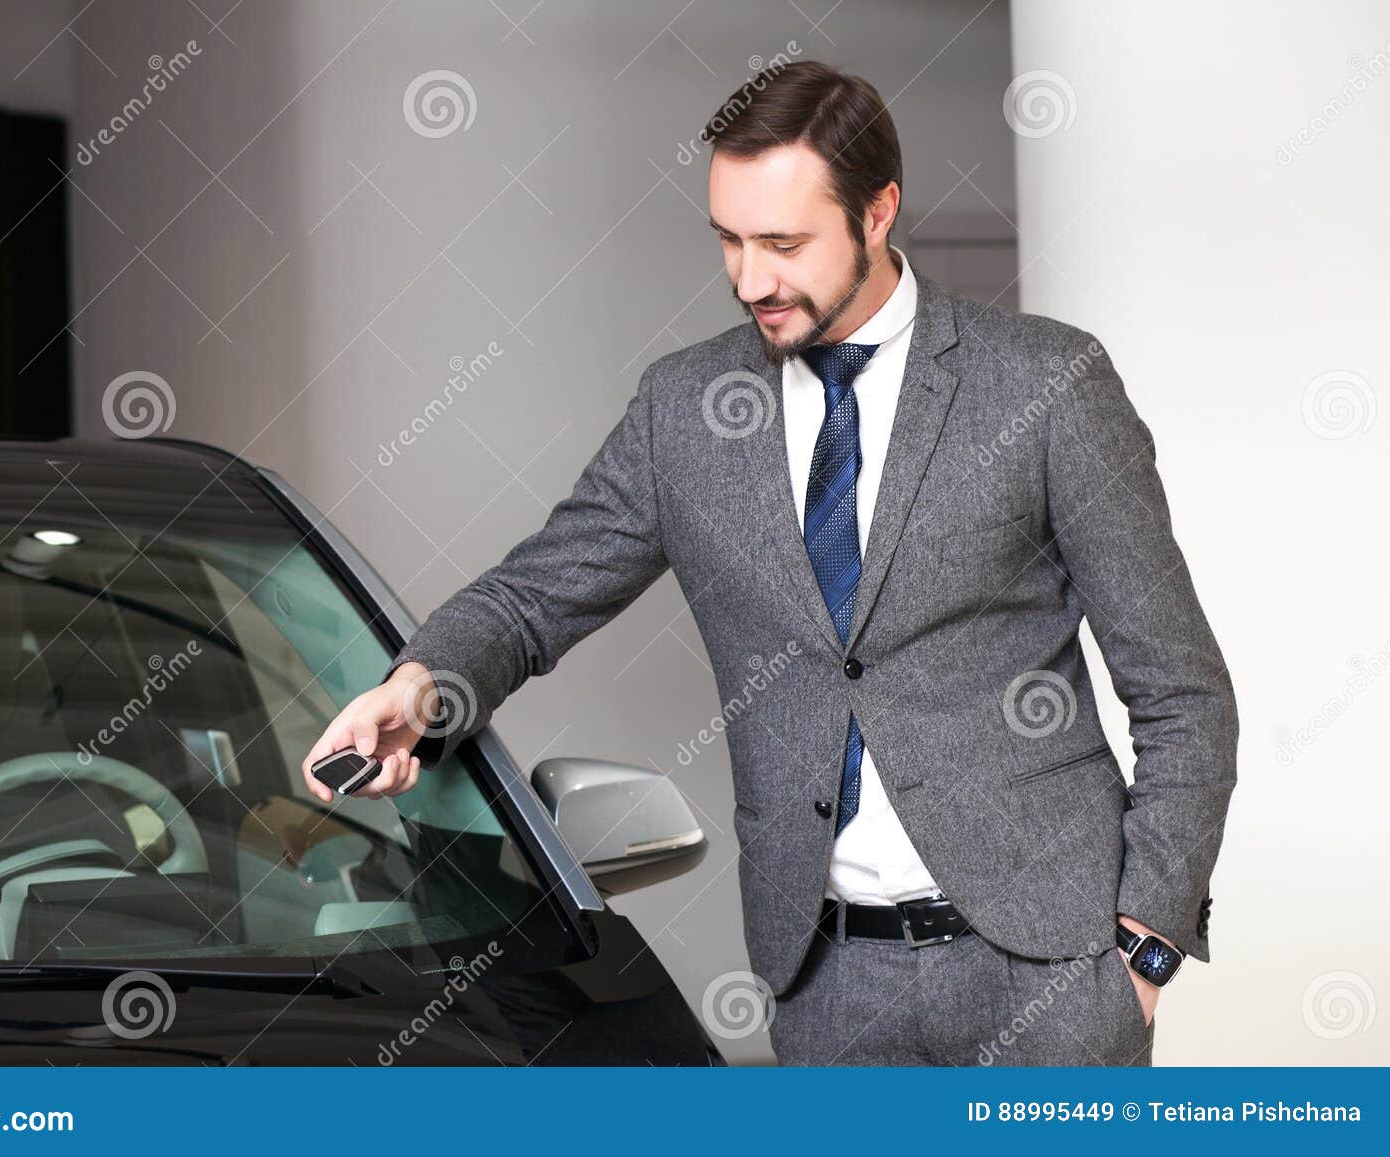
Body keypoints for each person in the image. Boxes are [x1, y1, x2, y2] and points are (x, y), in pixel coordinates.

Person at [301, 61, 1237, 1066]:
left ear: (877, 212)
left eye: (783, 243)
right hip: (826, 984)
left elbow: (1182, 690)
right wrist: (418, 684)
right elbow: (533, 595)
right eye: (729, 240)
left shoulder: (1046, 383)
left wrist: (1144, 943)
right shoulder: (682, 410)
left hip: (1052, 978)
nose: (749, 278)